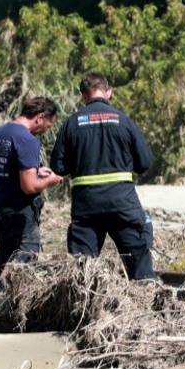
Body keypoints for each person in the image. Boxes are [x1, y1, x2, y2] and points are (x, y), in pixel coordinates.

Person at [49, 72, 156, 280]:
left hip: (87, 206)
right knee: (139, 264)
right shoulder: (124, 121)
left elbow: (58, 166)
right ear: (108, 92)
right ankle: (145, 306)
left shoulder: (72, 124)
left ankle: (83, 310)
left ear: (82, 95)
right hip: (123, 203)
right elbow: (144, 163)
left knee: (82, 270)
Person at [0, 96, 64, 290]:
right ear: (39, 117)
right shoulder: (27, 140)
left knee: (4, 255)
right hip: (20, 212)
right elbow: (28, 187)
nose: (47, 130)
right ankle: (12, 304)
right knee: (26, 255)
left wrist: (37, 172)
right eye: (48, 124)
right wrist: (50, 180)